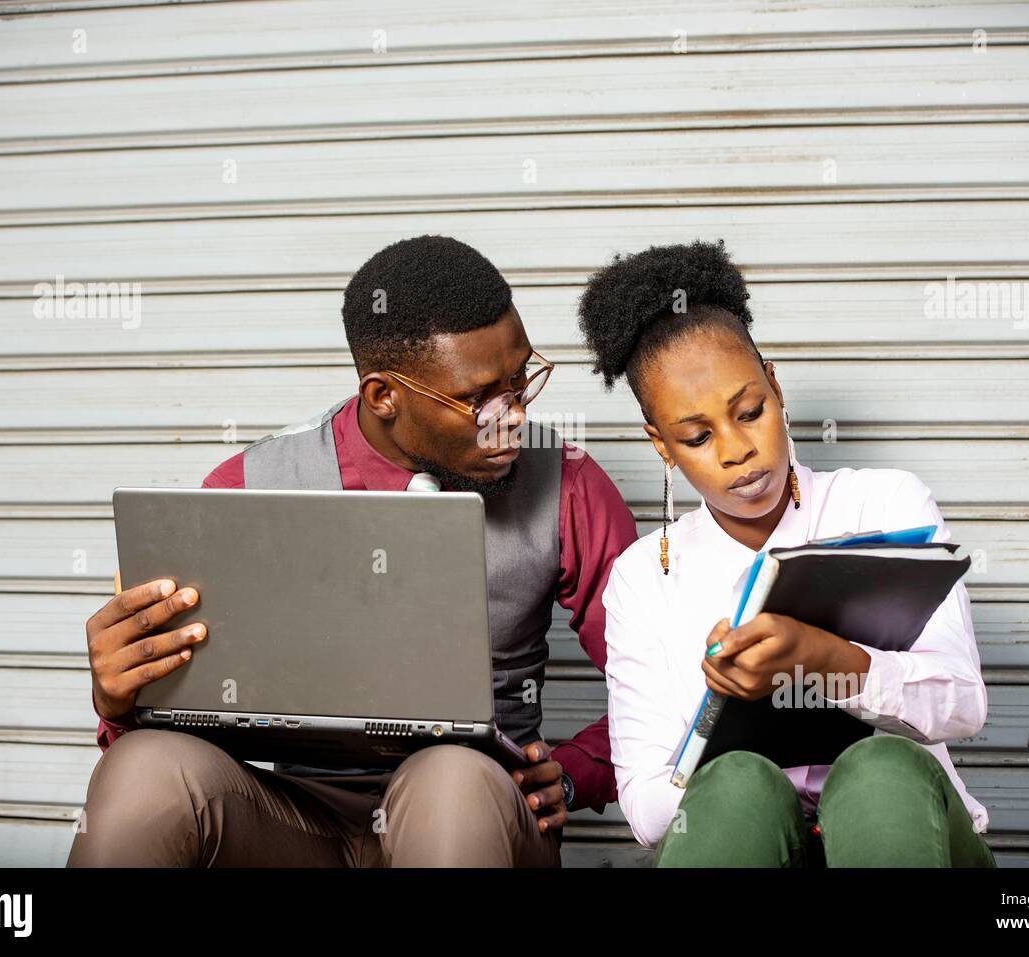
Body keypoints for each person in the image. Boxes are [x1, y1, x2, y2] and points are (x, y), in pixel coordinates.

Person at [68, 235, 637, 867]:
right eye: (477, 399)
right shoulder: (248, 489)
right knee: (144, 768)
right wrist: (119, 703)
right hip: (298, 819)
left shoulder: (567, 481)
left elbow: (660, 686)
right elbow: (184, 708)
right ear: (383, 396)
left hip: (476, 809)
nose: (510, 415)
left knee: (450, 783)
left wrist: (576, 771)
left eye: (519, 379)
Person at [575, 238, 995, 867]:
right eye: (695, 437)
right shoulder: (643, 578)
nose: (736, 450)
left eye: (749, 411)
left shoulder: (884, 504)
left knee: (879, 770)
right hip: (744, 842)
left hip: (906, 836)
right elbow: (645, 811)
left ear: (774, 385)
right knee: (739, 786)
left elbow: (962, 705)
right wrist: (721, 721)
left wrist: (830, 661)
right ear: (660, 445)